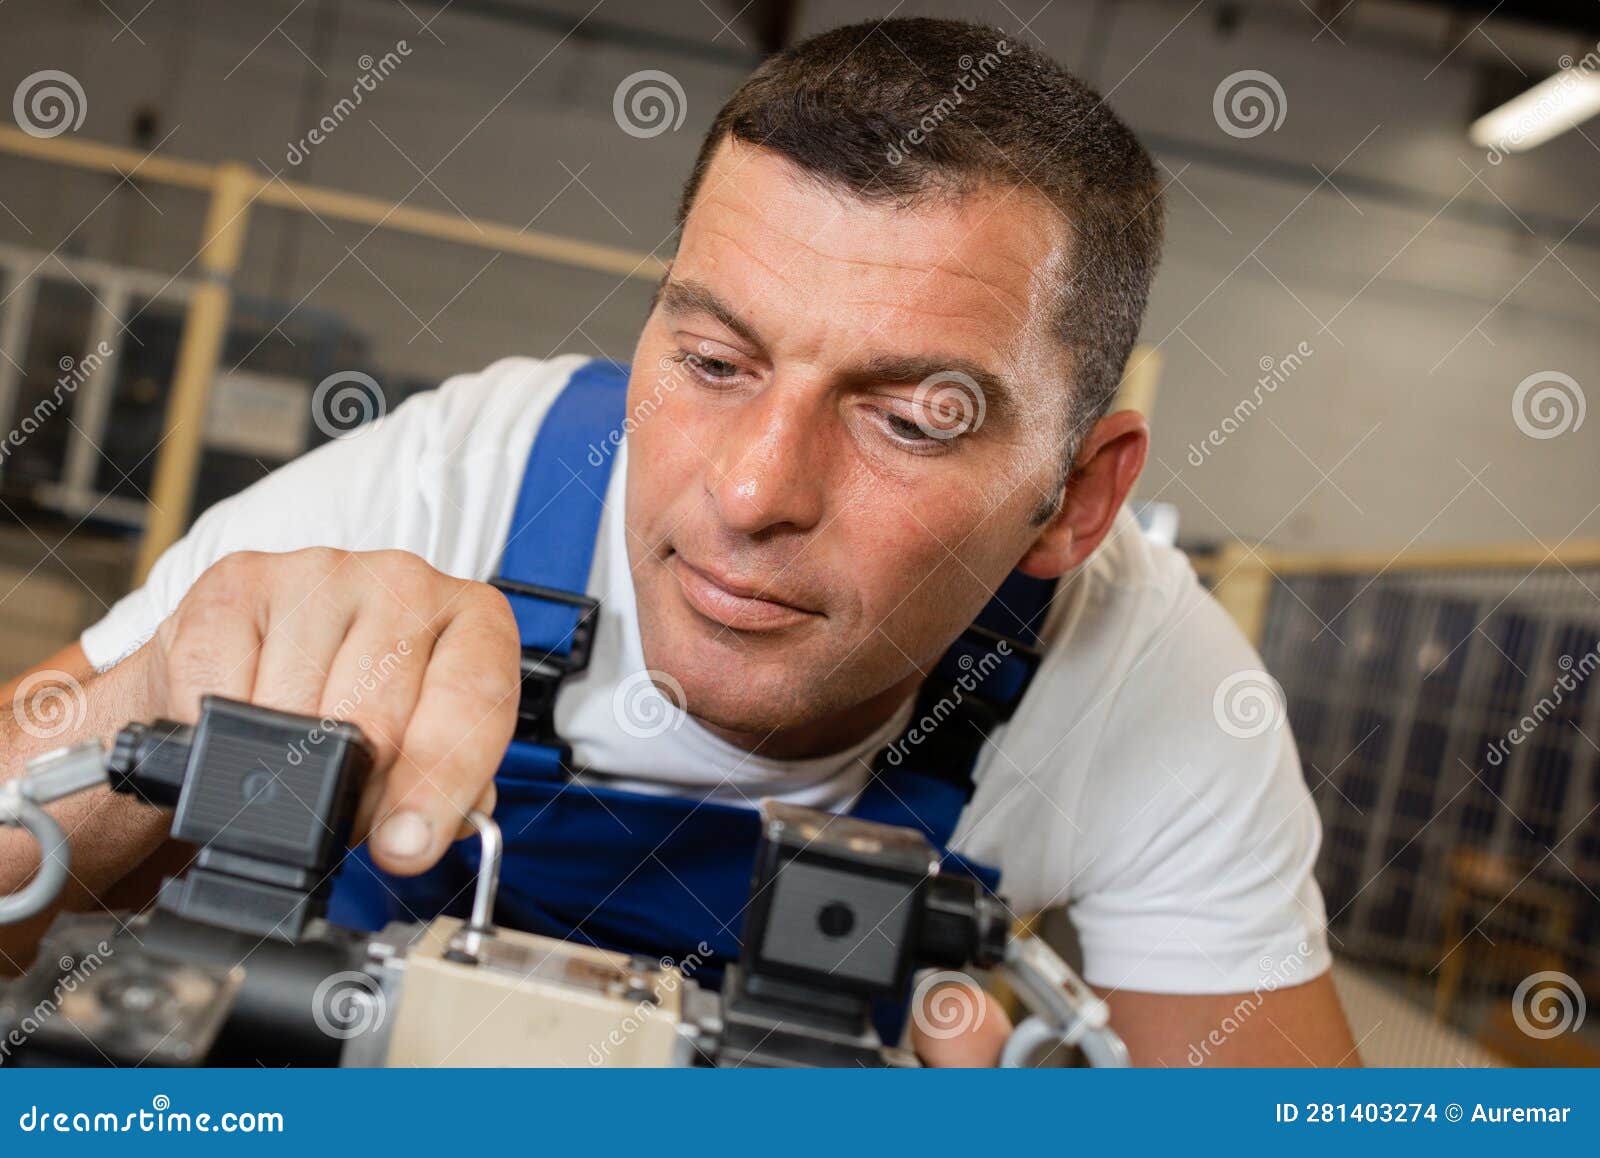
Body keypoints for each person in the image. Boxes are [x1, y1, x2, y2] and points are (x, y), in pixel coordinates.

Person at [0, 17, 1355, 1066]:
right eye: (713, 358)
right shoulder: (455, 483)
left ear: (1075, 500)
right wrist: (145, 711)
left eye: (908, 418)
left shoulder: (1143, 686)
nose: (757, 487)